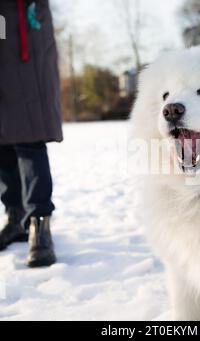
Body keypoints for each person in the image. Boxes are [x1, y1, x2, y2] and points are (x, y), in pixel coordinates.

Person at [0, 0, 62, 267]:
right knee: (2, 132)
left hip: (25, 21)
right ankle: (15, 216)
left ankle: (40, 225)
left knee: (28, 129)